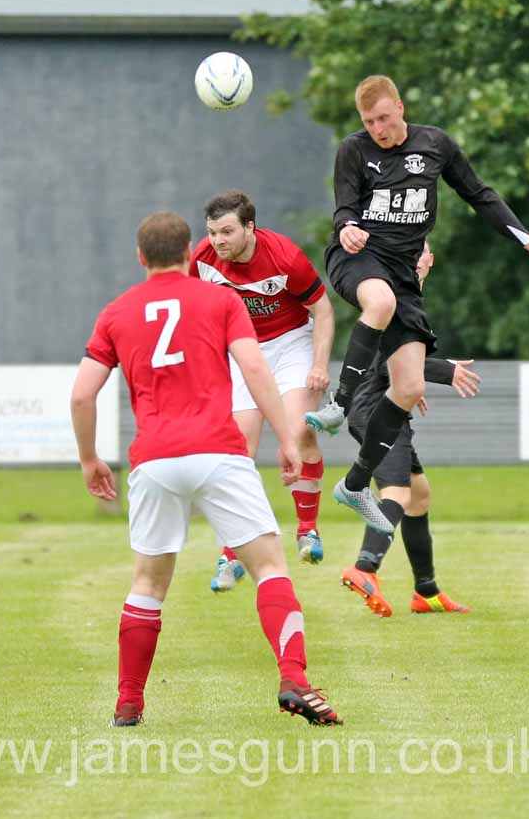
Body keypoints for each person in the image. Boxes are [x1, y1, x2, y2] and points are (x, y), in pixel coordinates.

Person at [70, 211, 341, 727]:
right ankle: (294, 680)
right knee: (269, 568)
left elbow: (83, 394)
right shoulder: (219, 300)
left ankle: (129, 703)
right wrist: (286, 438)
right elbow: (256, 367)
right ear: (192, 248)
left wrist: (89, 459)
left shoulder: (116, 312)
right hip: (218, 451)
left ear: (140, 256)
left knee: (147, 584)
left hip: (154, 460)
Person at [305, 74, 529, 534]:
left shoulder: (436, 145)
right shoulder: (353, 150)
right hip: (357, 259)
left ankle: (353, 486)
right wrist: (347, 225)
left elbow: (480, 195)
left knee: (408, 387)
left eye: (384, 119)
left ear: (401, 108)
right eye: (369, 122)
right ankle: (339, 404)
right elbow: (345, 207)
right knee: (380, 300)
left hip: (405, 274)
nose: (378, 129)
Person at [190, 189, 336, 592]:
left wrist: (320, 364)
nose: (218, 241)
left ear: (250, 227)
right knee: (238, 450)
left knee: (300, 432)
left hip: (291, 343)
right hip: (241, 350)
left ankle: (307, 530)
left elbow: (322, 310)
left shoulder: (284, 257)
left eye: (227, 231)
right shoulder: (202, 258)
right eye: (212, 232)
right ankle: (231, 553)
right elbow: (190, 306)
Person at [341, 241, 477, 617]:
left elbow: (400, 364)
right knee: (397, 493)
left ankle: (426, 592)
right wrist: (445, 370)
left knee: (418, 495)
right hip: (374, 412)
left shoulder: (407, 297)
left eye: (417, 252)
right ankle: (364, 568)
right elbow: (391, 357)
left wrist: (410, 386)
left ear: (429, 260)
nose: (411, 258)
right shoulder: (392, 296)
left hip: (386, 407)